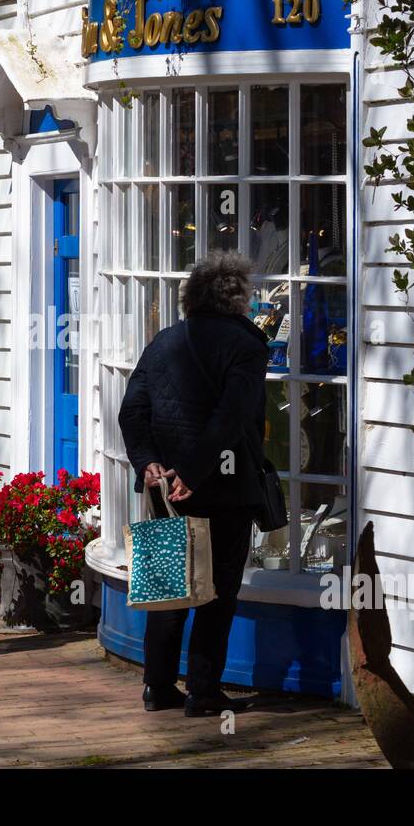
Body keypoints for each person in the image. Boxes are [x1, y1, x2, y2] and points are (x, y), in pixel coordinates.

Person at [118, 250, 269, 716]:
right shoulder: (248, 344)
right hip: (223, 487)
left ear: (190, 296)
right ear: (239, 297)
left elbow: (132, 411)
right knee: (217, 592)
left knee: (168, 589)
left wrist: (148, 464)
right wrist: (195, 471)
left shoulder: (164, 341)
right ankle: (202, 693)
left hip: (165, 488)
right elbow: (231, 418)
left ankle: (157, 688)